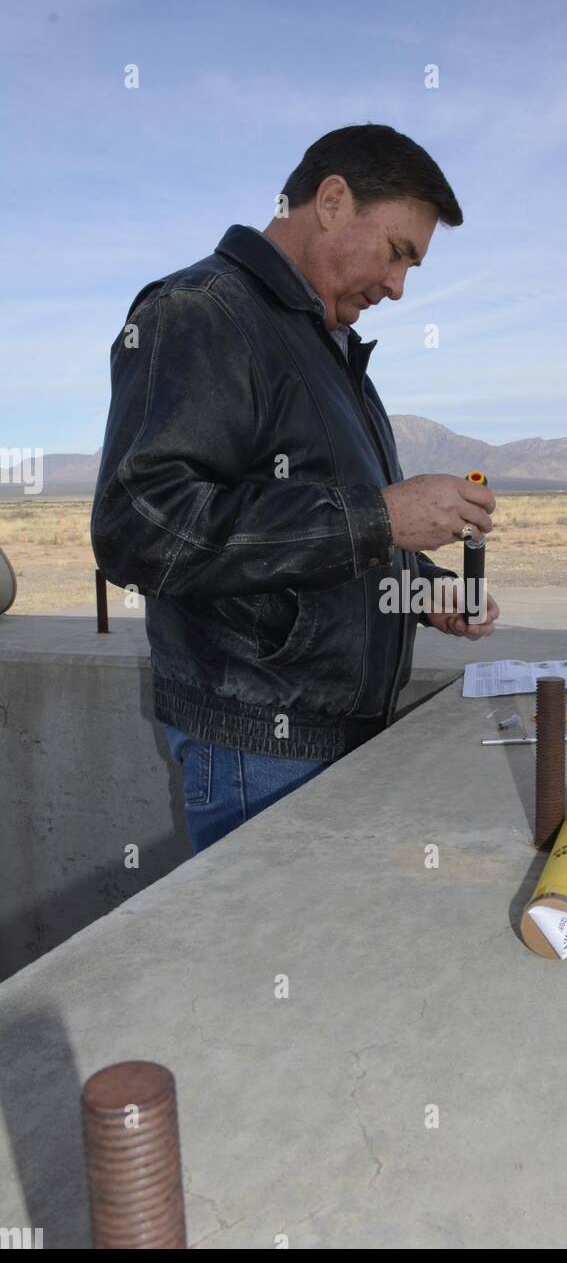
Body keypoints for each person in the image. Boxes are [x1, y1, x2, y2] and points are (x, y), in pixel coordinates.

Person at [91, 123, 499, 854]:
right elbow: (142, 525)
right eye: (398, 253)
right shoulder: (203, 311)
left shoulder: (326, 345)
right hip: (262, 747)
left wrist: (419, 587)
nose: (399, 289)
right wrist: (383, 515)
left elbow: (330, 532)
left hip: (335, 733)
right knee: (266, 966)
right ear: (333, 200)